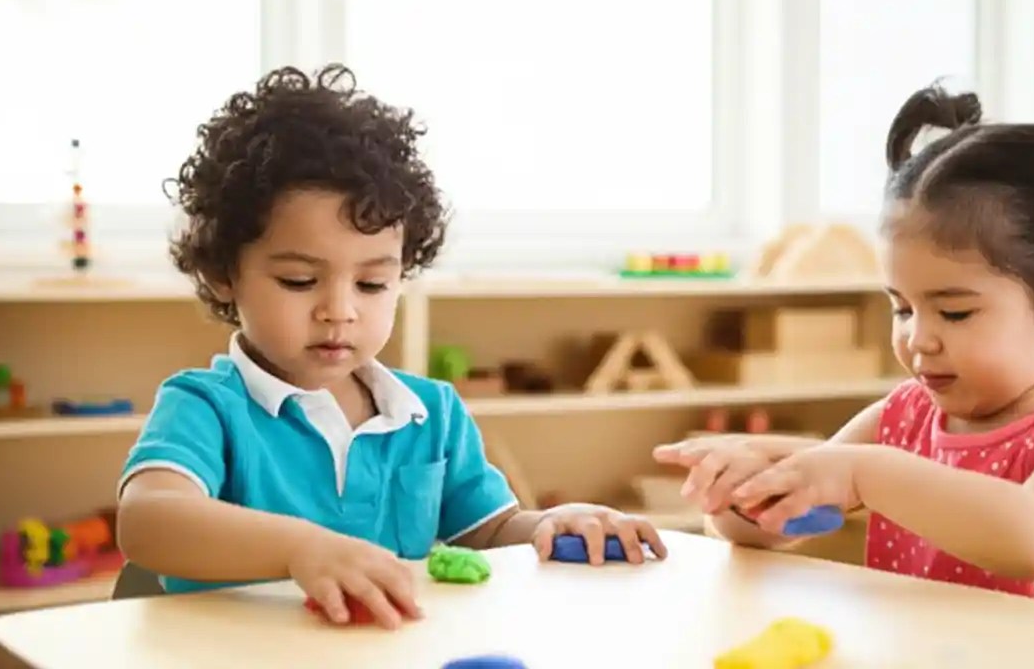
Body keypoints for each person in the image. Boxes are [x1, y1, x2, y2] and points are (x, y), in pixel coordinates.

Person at [116, 64, 667, 628]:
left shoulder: (432, 414)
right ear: (222, 274)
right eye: (300, 282)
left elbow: (489, 531)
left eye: (373, 284)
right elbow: (149, 521)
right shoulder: (206, 406)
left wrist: (551, 524)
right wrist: (299, 549)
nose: (340, 309)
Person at [654, 84, 1034, 616]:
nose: (917, 338)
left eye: (954, 312)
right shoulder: (903, 418)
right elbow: (785, 528)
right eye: (902, 308)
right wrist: (745, 495)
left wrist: (864, 473)